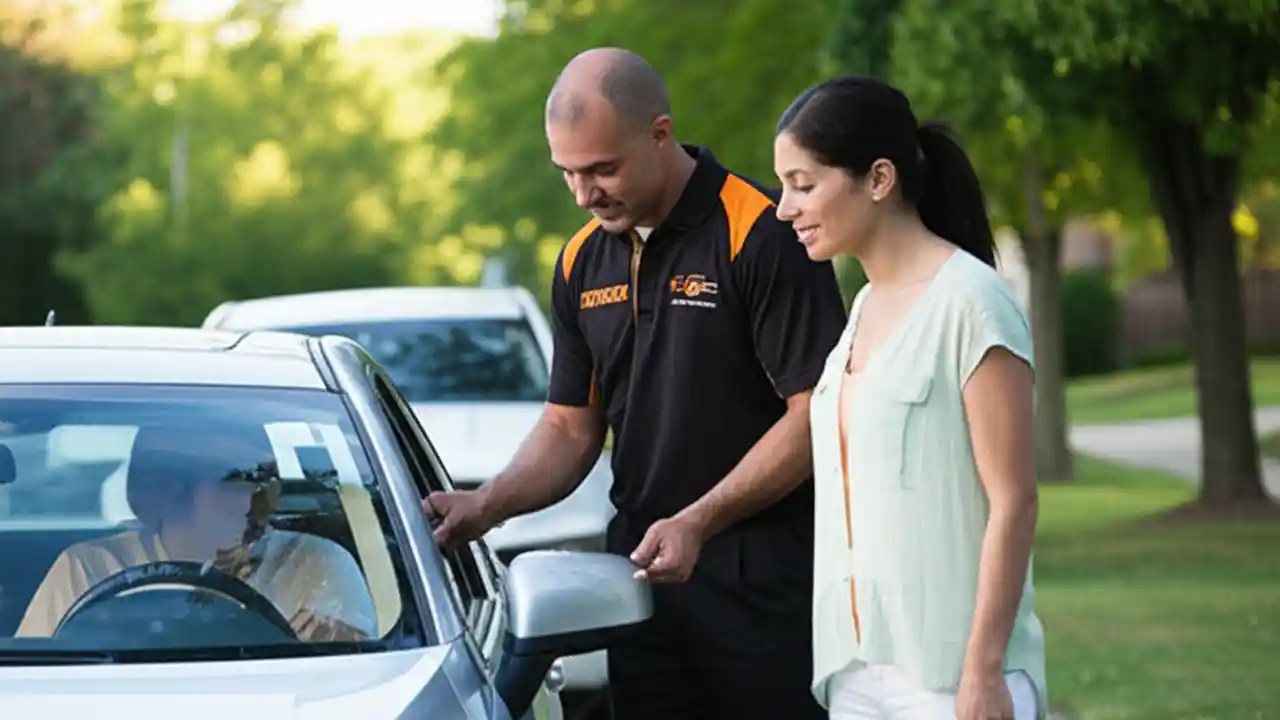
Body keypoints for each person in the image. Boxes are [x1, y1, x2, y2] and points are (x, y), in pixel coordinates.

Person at [424, 47, 847, 719]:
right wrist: (487, 505)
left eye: (602, 169)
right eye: (568, 173)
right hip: (642, 580)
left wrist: (699, 521)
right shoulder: (578, 261)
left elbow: (817, 413)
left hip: (767, 579)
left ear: (659, 134)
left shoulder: (761, 231)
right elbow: (570, 427)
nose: (584, 194)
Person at [771, 76, 1047, 720]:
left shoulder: (973, 304)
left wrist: (982, 672)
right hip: (855, 673)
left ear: (878, 179)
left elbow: (1015, 500)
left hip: (953, 680)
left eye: (803, 185)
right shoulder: (863, 308)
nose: (785, 208)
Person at [17, 424, 377, 642]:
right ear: (171, 492)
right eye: (240, 479)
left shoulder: (314, 564)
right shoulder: (90, 568)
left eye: (269, 478)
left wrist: (331, 641)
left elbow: (360, 678)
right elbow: (37, 678)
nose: (263, 497)